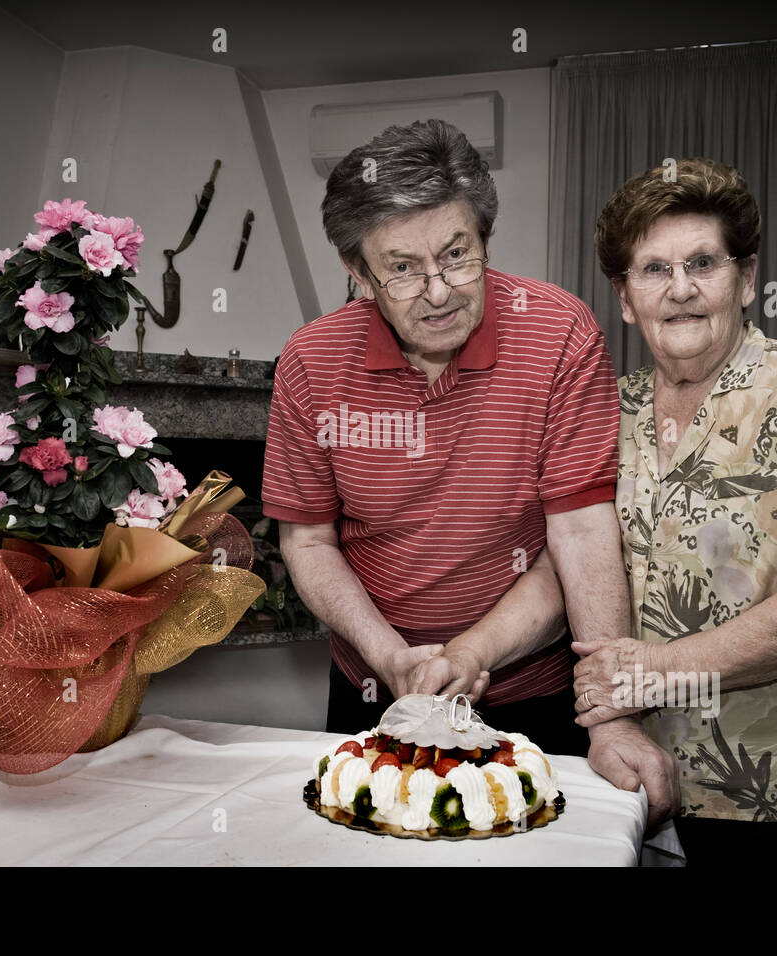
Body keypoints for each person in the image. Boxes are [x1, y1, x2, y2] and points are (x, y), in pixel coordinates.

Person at [262, 120, 678, 828]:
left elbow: (576, 533)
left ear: (484, 239)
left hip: (534, 698)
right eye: (400, 268)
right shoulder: (309, 361)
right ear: (356, 271)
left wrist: (610, 717)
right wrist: (389, 656)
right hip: (373, 692)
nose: (439, 291)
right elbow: (307, 542)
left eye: (458, 254)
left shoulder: (561, 335)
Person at [573, 157, 777, 864]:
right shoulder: (611, 409)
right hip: (644, 776)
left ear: (745, 280)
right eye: (653, 270)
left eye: (703, 263)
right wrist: (469, 651)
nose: (680, 289)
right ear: (626, 299)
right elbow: (570, 553)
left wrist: (655, 671)